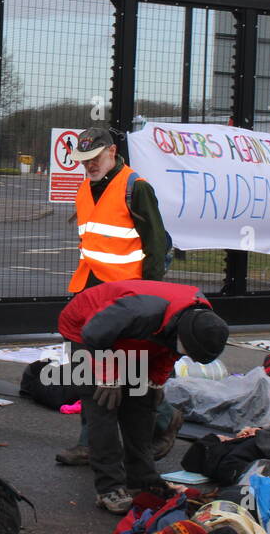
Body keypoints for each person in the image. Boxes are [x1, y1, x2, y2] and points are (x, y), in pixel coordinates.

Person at [56, 127, 182, 466]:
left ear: (112, 151)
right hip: (91, 289)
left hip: (126, 293)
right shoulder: (87, 188)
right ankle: (91, 441)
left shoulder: (135, 188)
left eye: (95, 159)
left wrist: (151, 296)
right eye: (84, 161)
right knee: (85, 366)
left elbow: (155, 245)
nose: (89, 166)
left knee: (125, 368)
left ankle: (163, 417)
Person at [57, 278, 229, 513]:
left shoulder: (200, 322)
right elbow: (93, 333)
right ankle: (109, 488)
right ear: (183, 336)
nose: (188, 357)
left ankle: (143, 479)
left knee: (141, 408)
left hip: (133, 339)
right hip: (86, 331)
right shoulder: (143, 310)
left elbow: (169, 352)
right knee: (103, 408)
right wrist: (109, 377)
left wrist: (155, 384)